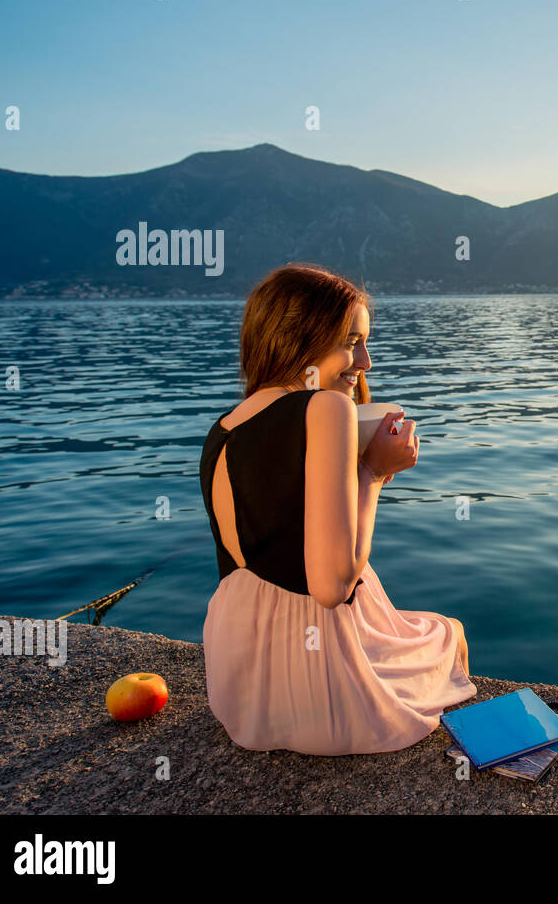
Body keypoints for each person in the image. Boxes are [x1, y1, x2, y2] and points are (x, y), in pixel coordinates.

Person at [198, 262, 475, 754]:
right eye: (351, 341)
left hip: (238, 683)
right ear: (298, 336)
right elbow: (331, 588)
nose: (364, 361)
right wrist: (374, 474)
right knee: (448, 634)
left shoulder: (226, 427)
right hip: (315, 685)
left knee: (422, 630)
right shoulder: (326, 409)